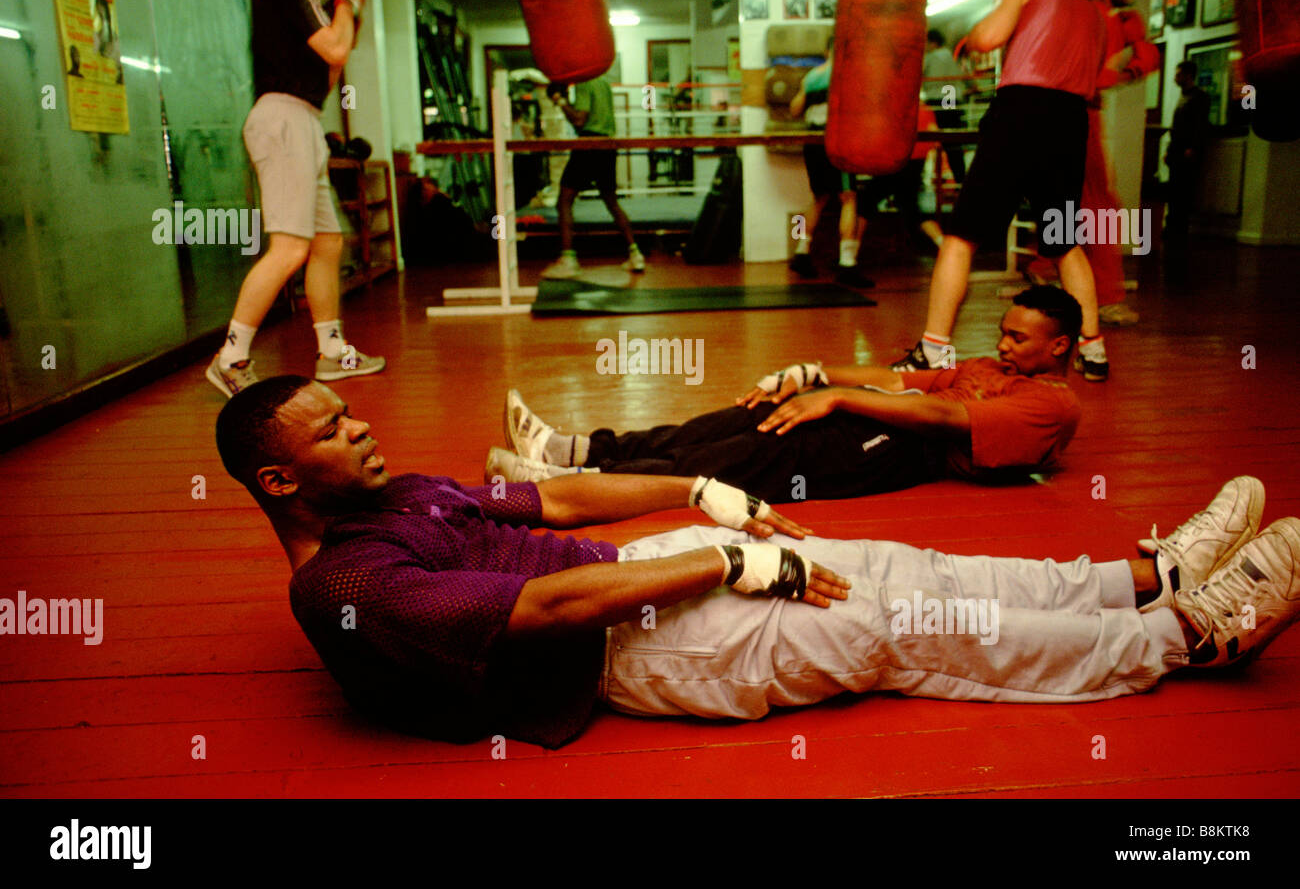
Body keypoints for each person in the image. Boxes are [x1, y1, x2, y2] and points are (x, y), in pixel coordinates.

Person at [214, 379, 1300, 748]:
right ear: (278, 481)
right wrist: (726, 569)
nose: (358, 428)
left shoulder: (397, 493)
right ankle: (1179, 639)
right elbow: (544, 607)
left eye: (348, 410)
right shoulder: (345, 588)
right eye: (330, 429)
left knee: (899, 559)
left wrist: (700, 499)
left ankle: (1136, 579)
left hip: (655, 569)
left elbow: (556, 498)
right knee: (892, 626)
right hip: (621, 652)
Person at [491, 286, 1082, 503]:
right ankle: (576, 450)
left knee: (762, 455)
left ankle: (571, 489)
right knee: (749, 414)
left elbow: (938, 415)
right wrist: (812, 374)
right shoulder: (986, 365)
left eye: (1018, 338)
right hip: (887, 419)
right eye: (1004, 331)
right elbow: (899, 379)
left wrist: (837, 401)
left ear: (1058, 348)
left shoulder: (1051, 403)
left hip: (906, 450)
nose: (1003, 344)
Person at [893, 0, 1111, 381]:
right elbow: (1094, 79)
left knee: (960, 237)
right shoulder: (1093, 13)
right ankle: (1094, 349)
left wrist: (970, 39)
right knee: (1064, 242)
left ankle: (934, 350)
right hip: (1070, 121)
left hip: (1020, 113)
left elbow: (990, 36)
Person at [207, 0, 384, 398]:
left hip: (302, 118)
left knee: (326, 243)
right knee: (289, 247)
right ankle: (231, 357)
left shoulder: (308, 1)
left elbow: (329, 72)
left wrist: (347, 15)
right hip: (282, 119)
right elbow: (335, 46)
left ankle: (332, 353)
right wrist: (347, 2)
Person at [1023, 0, 1160, 328]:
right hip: (1074, 114)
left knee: (1075, 202)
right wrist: (1126, 70)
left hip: (1067, 115)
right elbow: (1094, 76)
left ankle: (1043, 264)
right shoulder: (1090, 19)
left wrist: (1131, 60)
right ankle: (1107, 298)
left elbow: (1148, 59)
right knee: (1099, 206)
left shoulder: (1110, 19)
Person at [787, 39, 874, 288]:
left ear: (825, 51)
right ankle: (847, 263)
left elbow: (794, 110)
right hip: (837, 141)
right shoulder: (848, 75)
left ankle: (801, 251)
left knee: (819, 198)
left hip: (812, 142)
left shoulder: (811, 76)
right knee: (849, 197)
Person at [541, 75, 646, 278]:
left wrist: (561, 102)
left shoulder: (583, 82)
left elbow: (580, 119)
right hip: (607, 146)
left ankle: (568, 260)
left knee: (564, 201)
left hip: (589, 145)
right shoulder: (604, 81)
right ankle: (636, 254)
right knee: (612, 203)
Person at [853, 100, 946, 253]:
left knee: (865, 202)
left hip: (896, 162)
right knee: (911, 209)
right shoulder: (924, 109)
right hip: (915, 164)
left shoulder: (893, 109)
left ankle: (850, 252)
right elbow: (935, 138)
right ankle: (943, 244)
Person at [1163, 60, 1211, 276]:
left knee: (1181, 194)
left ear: (1188, 75)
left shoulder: (1198, 98)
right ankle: (1174, 233)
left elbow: (1199, 126)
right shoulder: (1189, 97)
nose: (1175, 78)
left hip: (1185, 154)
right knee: (1176, 194)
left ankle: (1177, 234)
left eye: (1179, 74)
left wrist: (1192, 147)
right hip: (1179, 152)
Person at [921, 29, 971, 183]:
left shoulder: (930, 57)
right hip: (951, 97)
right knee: (952, 140)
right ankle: (960, 179)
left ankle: (920, 178)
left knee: (928, 138)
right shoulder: (949, 56)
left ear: (932, 42)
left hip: (938, 99)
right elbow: (962, 76)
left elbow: (919, 74)